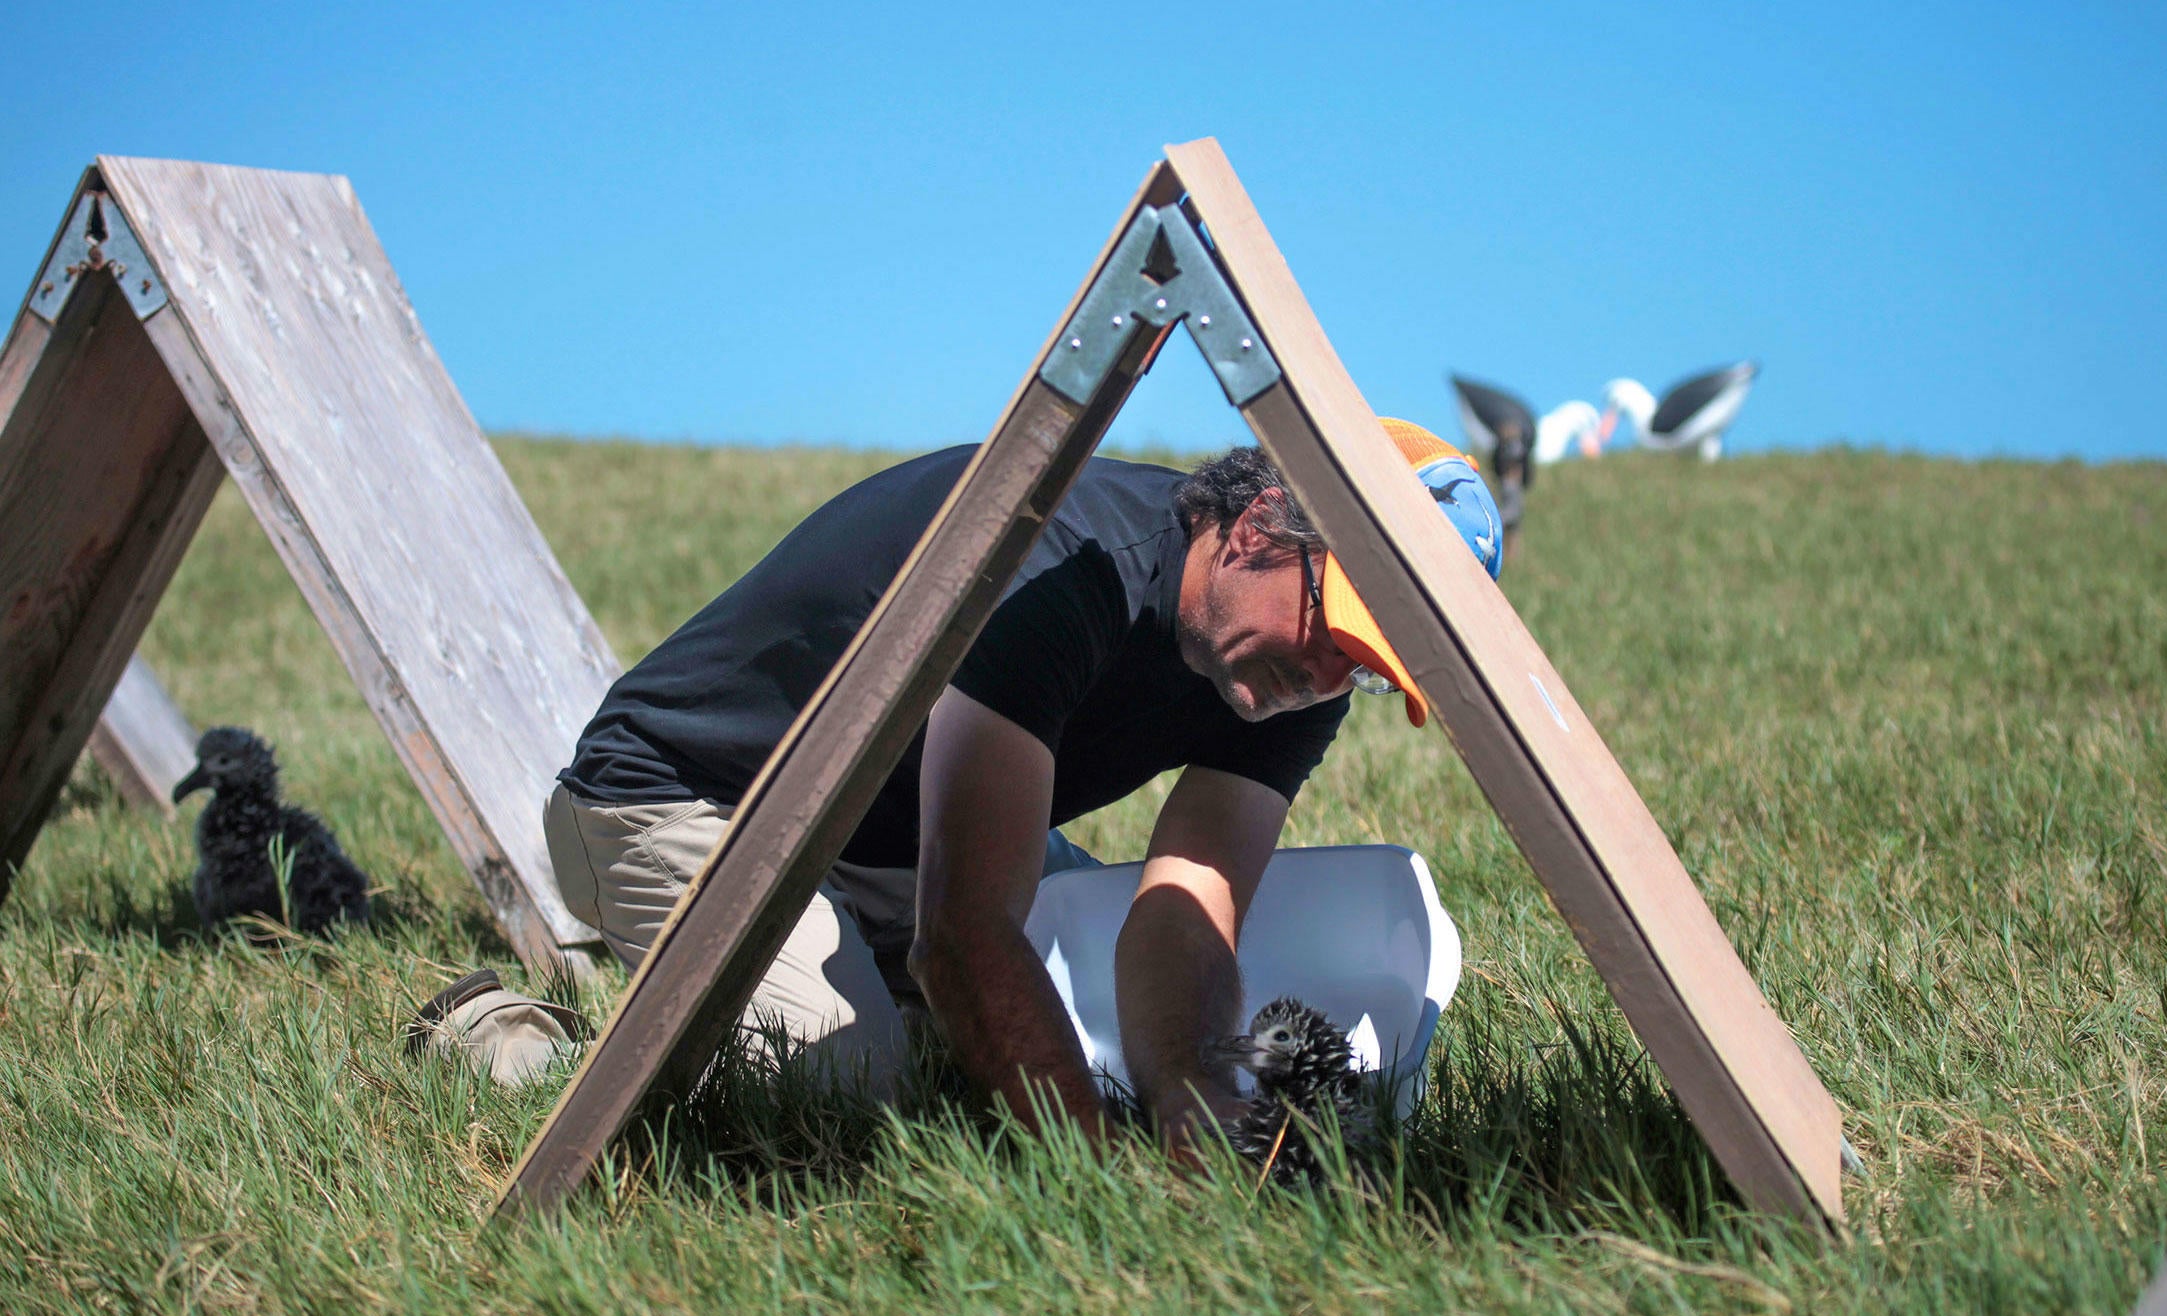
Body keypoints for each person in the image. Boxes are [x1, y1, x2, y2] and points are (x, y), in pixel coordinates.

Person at [410, 418, 1503, 1155]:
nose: (1331, 676)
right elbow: (966, 934)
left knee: (1052, 1064)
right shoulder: (1057, 563)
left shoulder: (1289, 680)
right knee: (843, 1099)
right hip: (690, 803)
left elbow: (1186, 915)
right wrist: (1096, 1188)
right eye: (1341, 631)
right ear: (1263, 521)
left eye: (1369, 668)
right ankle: (508, 1038)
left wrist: (1190, 1102)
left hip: (890, 840)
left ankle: (708, 1014)